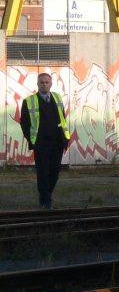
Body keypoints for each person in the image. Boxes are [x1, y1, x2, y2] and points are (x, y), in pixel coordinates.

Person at [19, 73, 70, 209]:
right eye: (41, 82)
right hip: (41, 144)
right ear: (37, 84)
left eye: (47, 82)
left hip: (57, 142)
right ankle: (46, 202)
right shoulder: (29, 101)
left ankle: (46, 196)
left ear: (51, 84)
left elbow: (62, 119)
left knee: (54, 173)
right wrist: (32, 139)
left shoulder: (57, 98)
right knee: (43, 173)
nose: (44, 84)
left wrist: (65, 139)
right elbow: (24, 123)